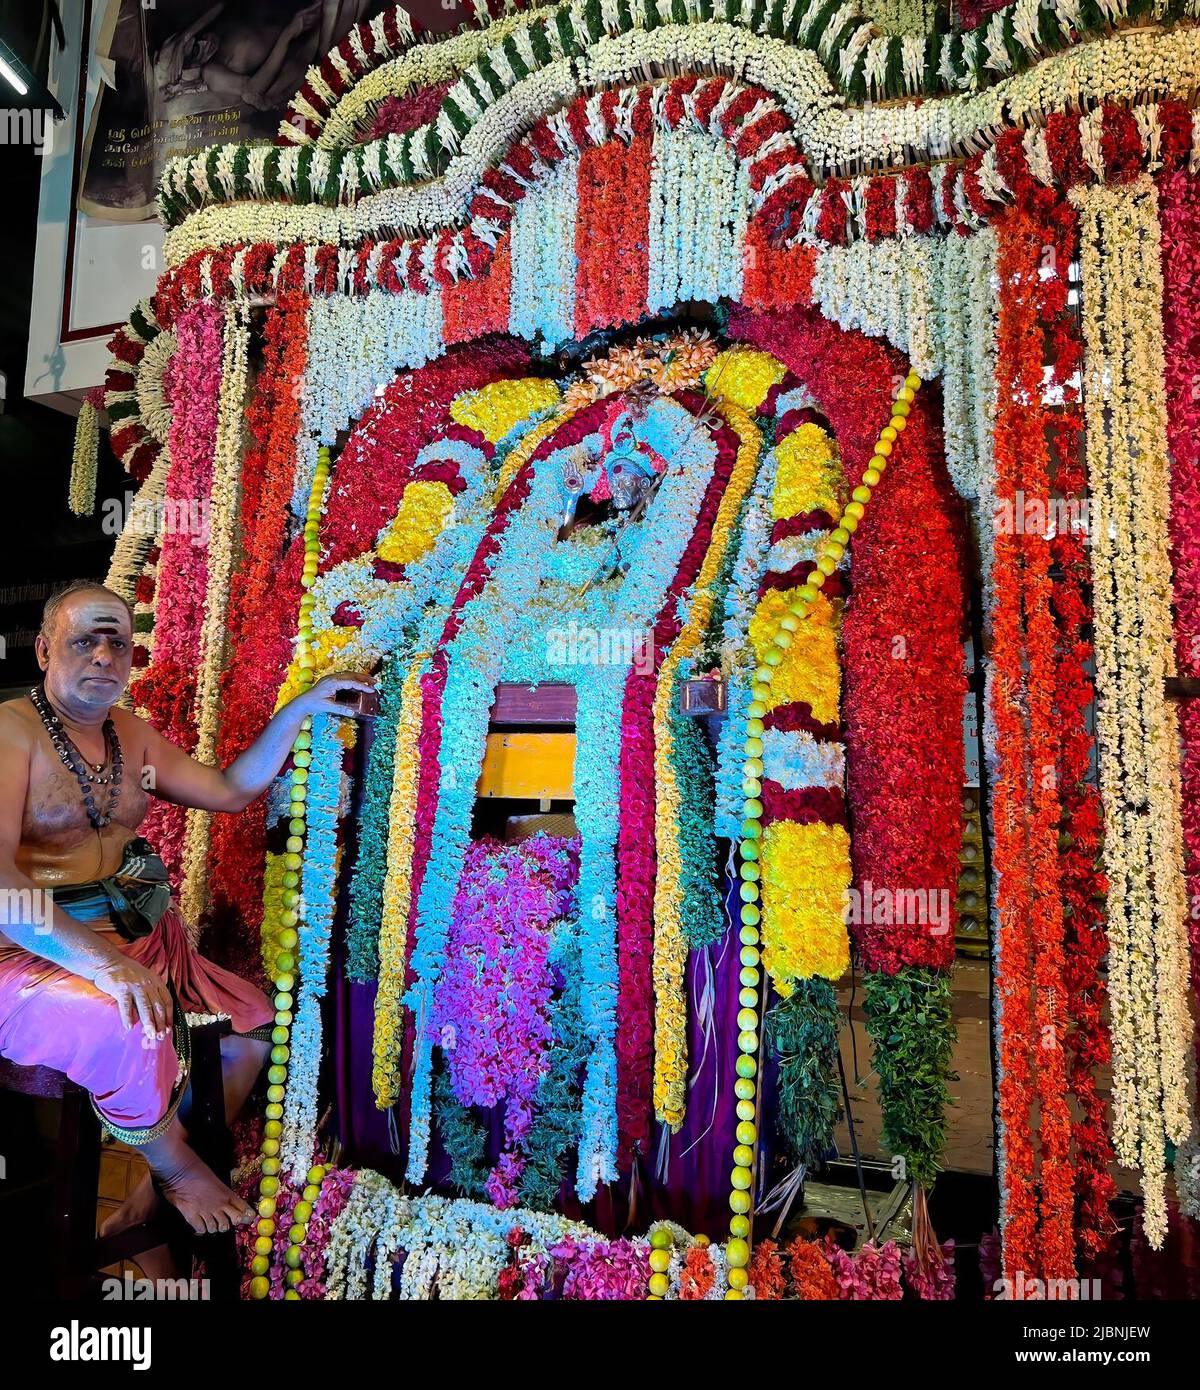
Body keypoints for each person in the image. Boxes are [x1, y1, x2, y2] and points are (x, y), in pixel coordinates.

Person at [0, 581, 373, 1237]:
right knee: (128, 1021)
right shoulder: (9, 735)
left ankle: (140, 1209)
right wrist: (105, 968)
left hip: (140, 941)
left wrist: (300, 709)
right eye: (85, 639)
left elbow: (229, 790)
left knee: (250, 1030)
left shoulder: (129, 736)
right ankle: (177, 1172)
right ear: (42, 651)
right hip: (30, 954)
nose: (104, 655)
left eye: (118, 641)